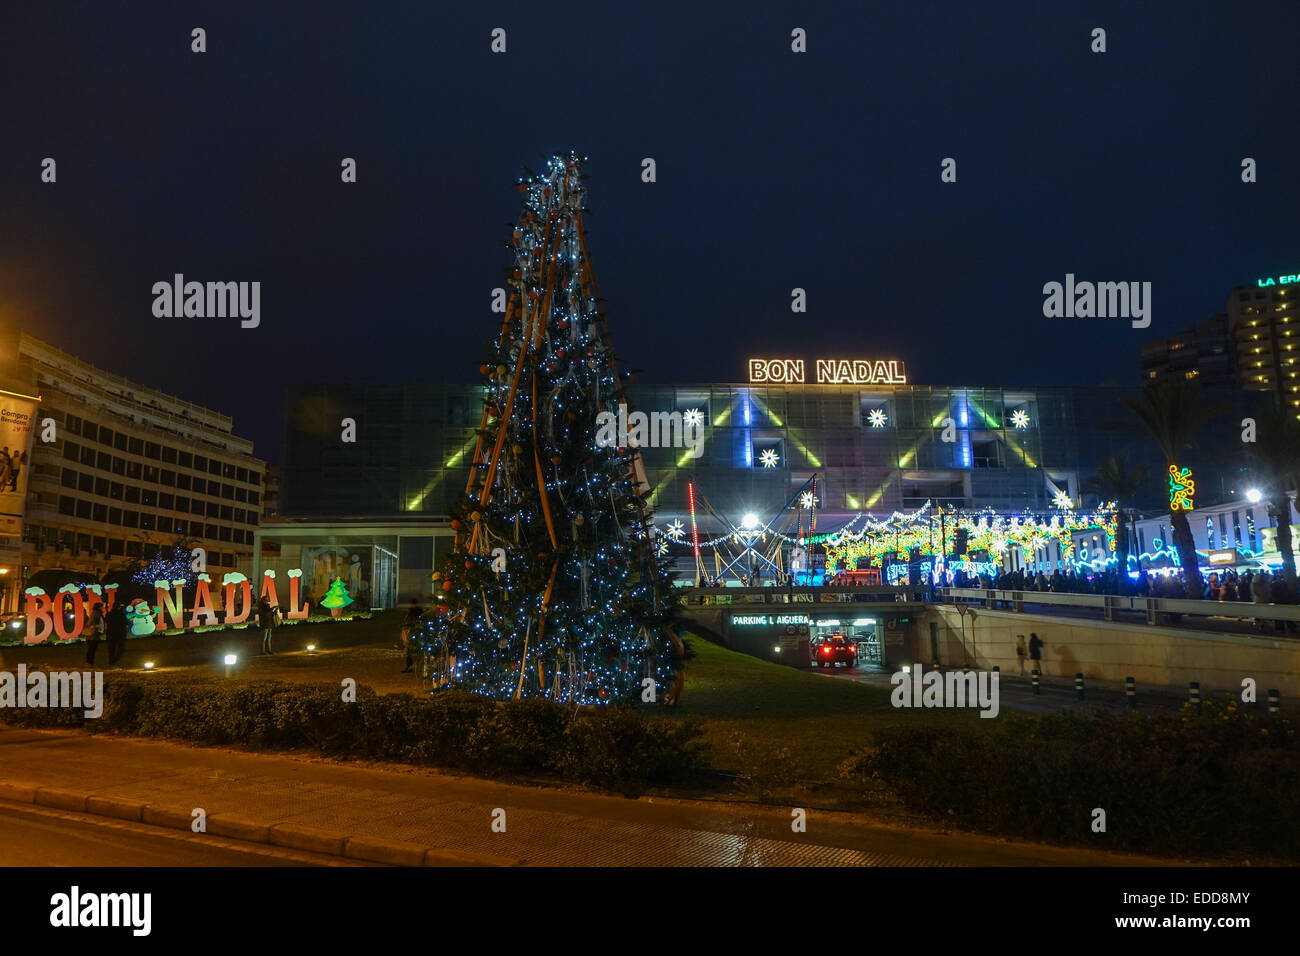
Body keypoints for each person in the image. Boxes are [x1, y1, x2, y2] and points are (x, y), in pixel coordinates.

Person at [400, 599, 422, 673]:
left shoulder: (411, 613)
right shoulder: (419, 612)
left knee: (410, 650)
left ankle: (410, 665)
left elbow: (407, 621)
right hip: (416, 632)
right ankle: (413, 665)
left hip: (412, 632)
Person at [105, 601, 127, 666]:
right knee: (121, 649)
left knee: (111, 650)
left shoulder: (109, 614)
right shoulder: (121, 614)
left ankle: (111, 662)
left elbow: (106, 621)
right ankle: (113, 661)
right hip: (120, 634)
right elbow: (125, 622)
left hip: (110, 633)